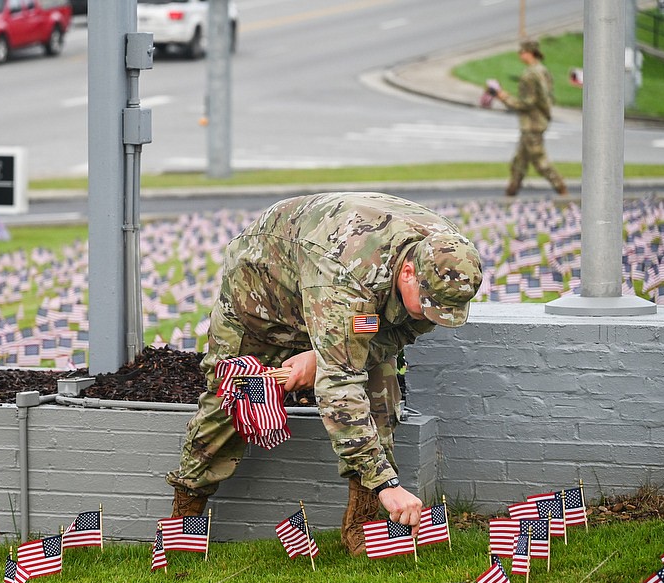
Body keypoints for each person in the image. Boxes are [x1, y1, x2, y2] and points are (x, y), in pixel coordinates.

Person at [165, 192, 483, 556]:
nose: (433, 316)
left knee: (381, 393)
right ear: (408, 272)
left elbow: (396, 334)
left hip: (340, 300)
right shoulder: (347, 274)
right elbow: (339, 388)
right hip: (262, 304)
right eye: (429, 305)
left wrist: (318, 357)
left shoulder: (445, 257)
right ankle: (182, 524)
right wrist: (387, 485)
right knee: (230, 402)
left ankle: (363, 526)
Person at [494, 39, 568, 197]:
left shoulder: (530, 75)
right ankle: (510, 193)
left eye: (522, 52)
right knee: (519, 162)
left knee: (540, 161)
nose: (520, 55)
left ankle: (562, 190)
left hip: (532, 124)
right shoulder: (542, 70)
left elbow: (527, 102)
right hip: (536, 121)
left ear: (529, 53)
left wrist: (504, 97)